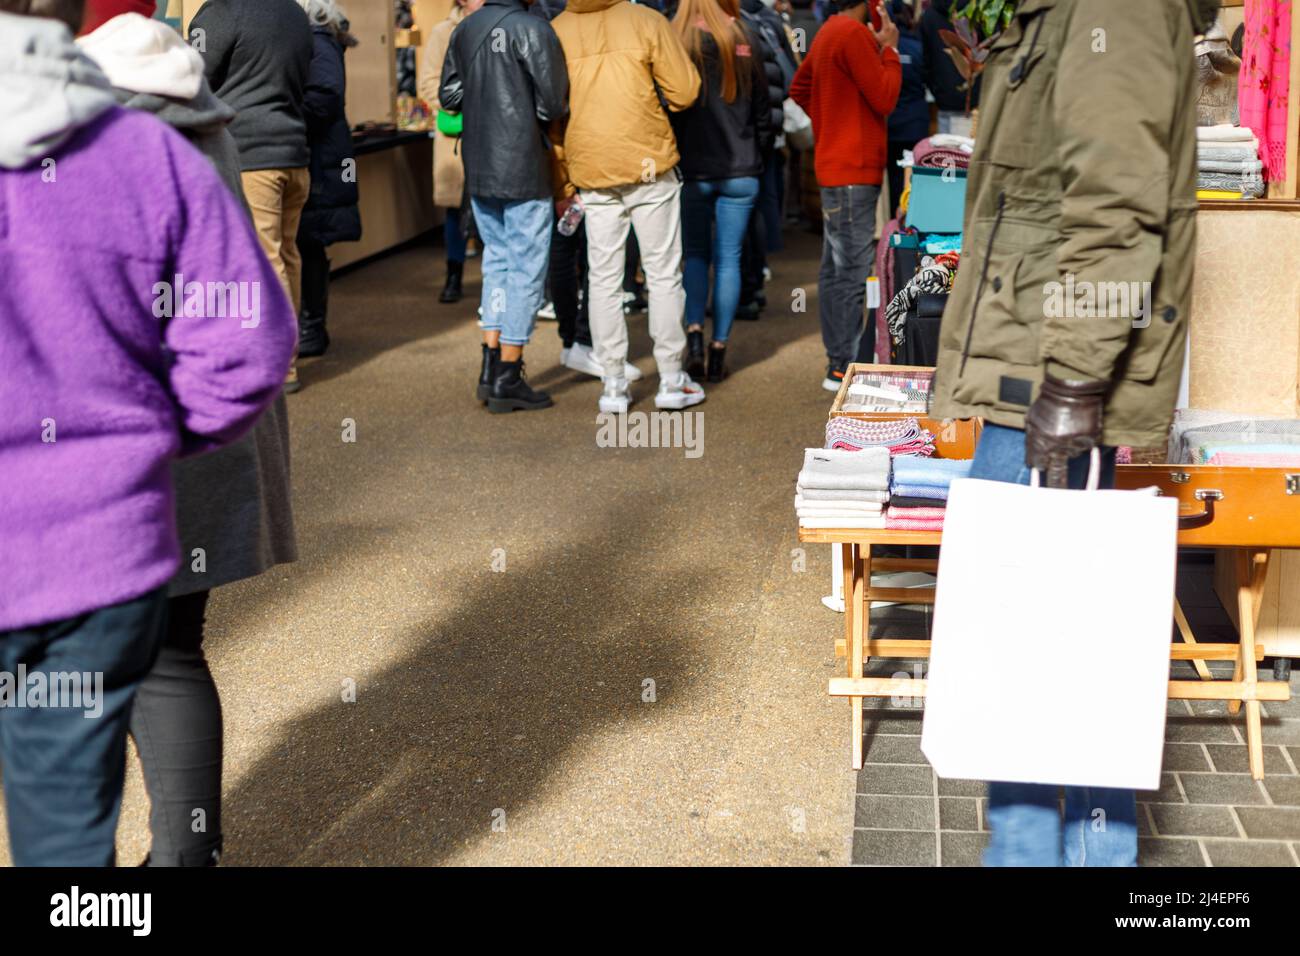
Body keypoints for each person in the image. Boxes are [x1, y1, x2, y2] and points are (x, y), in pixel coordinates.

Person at [0, 0, 297, 866]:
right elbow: (243, 328)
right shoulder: (174, 116)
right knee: (166, 661)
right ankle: (182, 859)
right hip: (130, 491)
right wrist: (153, 438)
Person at [930, 0, 1209, 867]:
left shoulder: (1111, 9)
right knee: (1050, 645)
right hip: (1036, 368)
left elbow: (1118, 206)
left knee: (1032, 643)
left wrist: (1076, 378)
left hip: (1043, 380)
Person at [552, 0, 706, 413]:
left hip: (591, 166)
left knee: (602, 279)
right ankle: (672, 380)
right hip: (649, 162)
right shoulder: (646, 20)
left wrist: (562, 176)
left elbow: (550, 108)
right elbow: (686, 91)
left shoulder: (557, 29)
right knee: (662, 274)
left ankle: (614, 385)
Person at [440, 0, 568, 413]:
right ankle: (508, 374)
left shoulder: (465, 28)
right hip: (523, 165)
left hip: (480, 165)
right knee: (526, 268)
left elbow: (449, 96)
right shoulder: (534, 29)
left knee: (496, 263)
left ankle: (490, 361)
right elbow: (552, 105)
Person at [190, 0, 313, 391]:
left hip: (250, 154)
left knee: (265, 259)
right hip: (294, 152)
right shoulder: (295, 12)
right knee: (287, 257)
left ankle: (278, 364)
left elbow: (191, 79)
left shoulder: (225, 10)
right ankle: (288, 357)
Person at [790, 0, 899, 392]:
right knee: (850, 271)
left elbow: (798, 87)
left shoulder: (829, 31)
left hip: (836, 165)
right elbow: (886, 97)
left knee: (835, 270)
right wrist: (889, 49)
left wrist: (832, 119)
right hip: (853, 168)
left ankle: (838, 364)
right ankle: (845, 368)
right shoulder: (853, 34)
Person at [670, 0, 773, 383]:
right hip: (742, 166)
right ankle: (719, 350)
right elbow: (764, 108)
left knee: (695, 256)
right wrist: (759, 154)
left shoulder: (675, 38)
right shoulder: (742, 36)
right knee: (729, 258)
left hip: (693, 167)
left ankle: (694, 337)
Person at [294, 0, 361, 358]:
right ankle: (310, 325)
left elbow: (325, 98)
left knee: (309, 240)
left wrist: (284, 113)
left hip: (320, 157)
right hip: (323, 155)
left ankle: (312, 326)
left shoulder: (318, 42)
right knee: (308, 240)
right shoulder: (322, 40)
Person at [418, 0, 484, 305]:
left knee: (493, 203)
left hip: (494, 132)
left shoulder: (498, 23)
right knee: (455, 207)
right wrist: (462, 103)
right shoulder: (443, 32)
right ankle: (454, 273)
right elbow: (429, 83)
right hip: (455, 134)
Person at [736, 0, 794, 321]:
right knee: (759, 205)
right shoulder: (767, 26)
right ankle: (756, 278)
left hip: (737, 144)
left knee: (732, 232)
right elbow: (781, 82)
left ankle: (747, 290)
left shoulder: (739, 30)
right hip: (760, 138)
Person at [884, 0, 925, 218]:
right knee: (915, 178)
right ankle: (913, 223)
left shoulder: (884, 51)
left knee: (894, 179)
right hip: (916, 124)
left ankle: (895, 223)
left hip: (891, 125)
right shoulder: (918, 48)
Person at [919, 0, 977, 135]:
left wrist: (938, 92)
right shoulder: (980, 11)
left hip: (945, 101)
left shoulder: (930, 15)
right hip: (978, 105)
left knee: (948, 153)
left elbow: (925, 61)